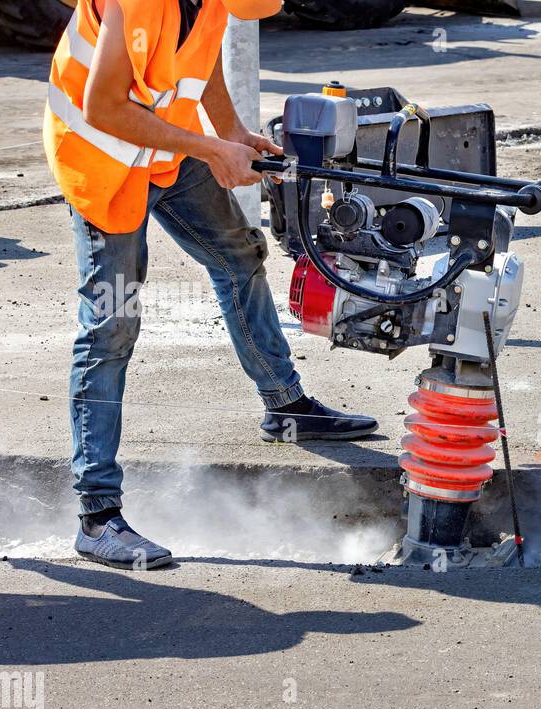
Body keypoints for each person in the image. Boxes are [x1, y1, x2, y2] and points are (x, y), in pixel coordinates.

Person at [44, 0, 377, 570]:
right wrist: (212, 150)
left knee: (239, 253)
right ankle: (97, 516)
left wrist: (233, 133)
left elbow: (201, 66)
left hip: (162, 151)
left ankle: (286, 405)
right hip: (101, 159)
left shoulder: (209, 2)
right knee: (111, 325)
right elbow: (103, 107)